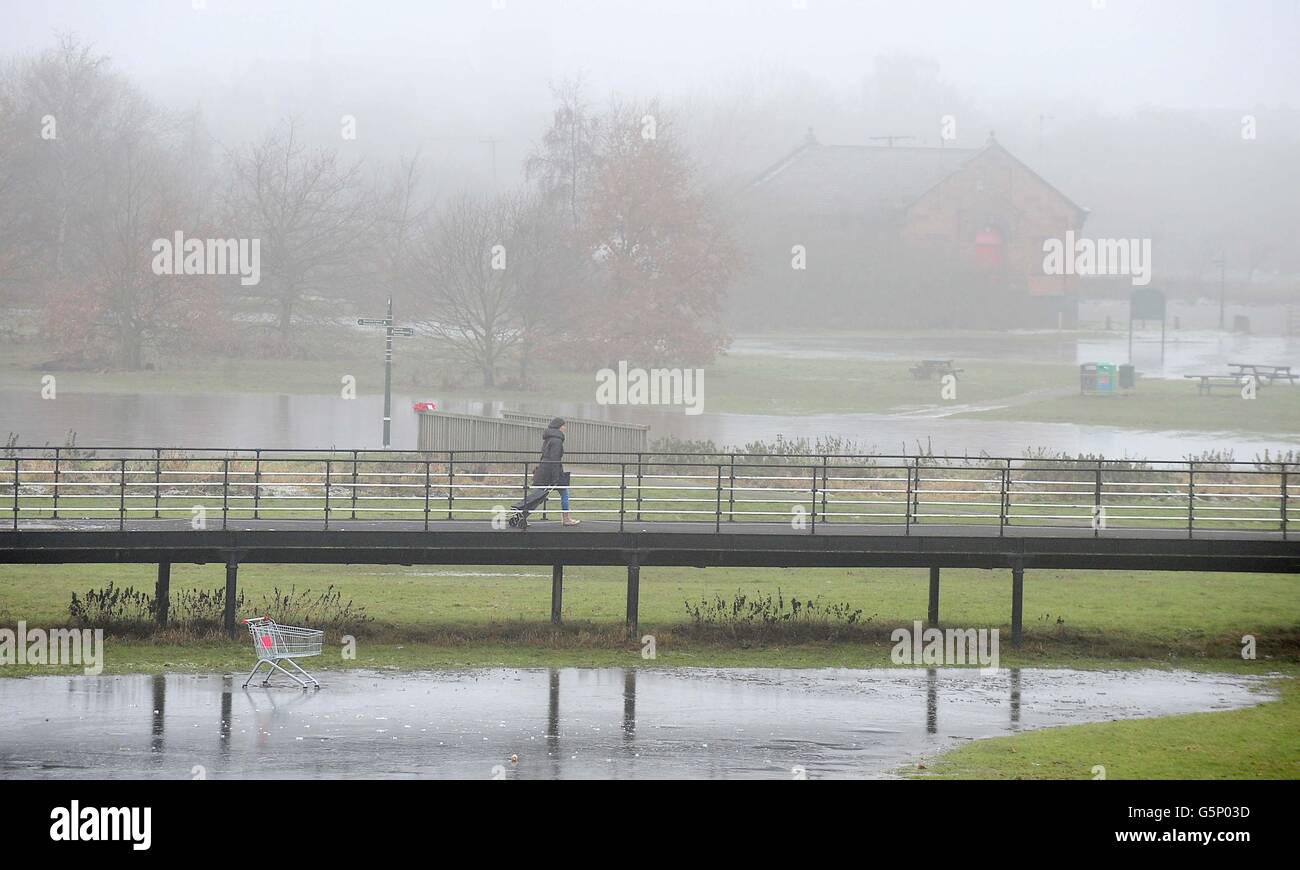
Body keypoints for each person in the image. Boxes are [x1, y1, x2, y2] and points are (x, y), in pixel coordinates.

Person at [537, 417, 579, 526]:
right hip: (552, 471)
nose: (565, 428)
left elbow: (545, 455)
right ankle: (566, 519)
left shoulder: (549, 438)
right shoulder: (557, 440)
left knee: (538, 495)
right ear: (559, 427)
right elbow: (555, 459)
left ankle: (523, 514)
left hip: (545, 469)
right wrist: (556, 478)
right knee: (564, 493)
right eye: (564, 426)